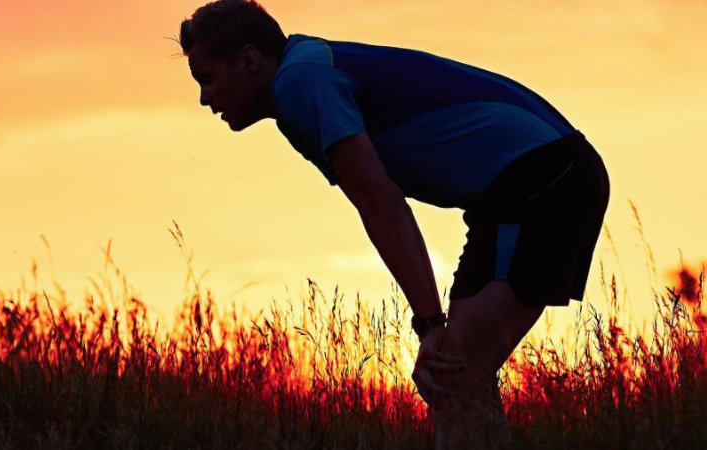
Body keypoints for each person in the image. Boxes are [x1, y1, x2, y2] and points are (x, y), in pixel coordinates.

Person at [177, 0, 610, 448]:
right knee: (460, 379)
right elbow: (378, 199)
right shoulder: (301, 75)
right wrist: (431, 325)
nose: (205, 99)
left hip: (543, 178)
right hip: (521, 187)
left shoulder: (299, 81)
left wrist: (429, 324)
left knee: (453, 374)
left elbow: (380, 202)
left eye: (207, 79)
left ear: (248, 59)